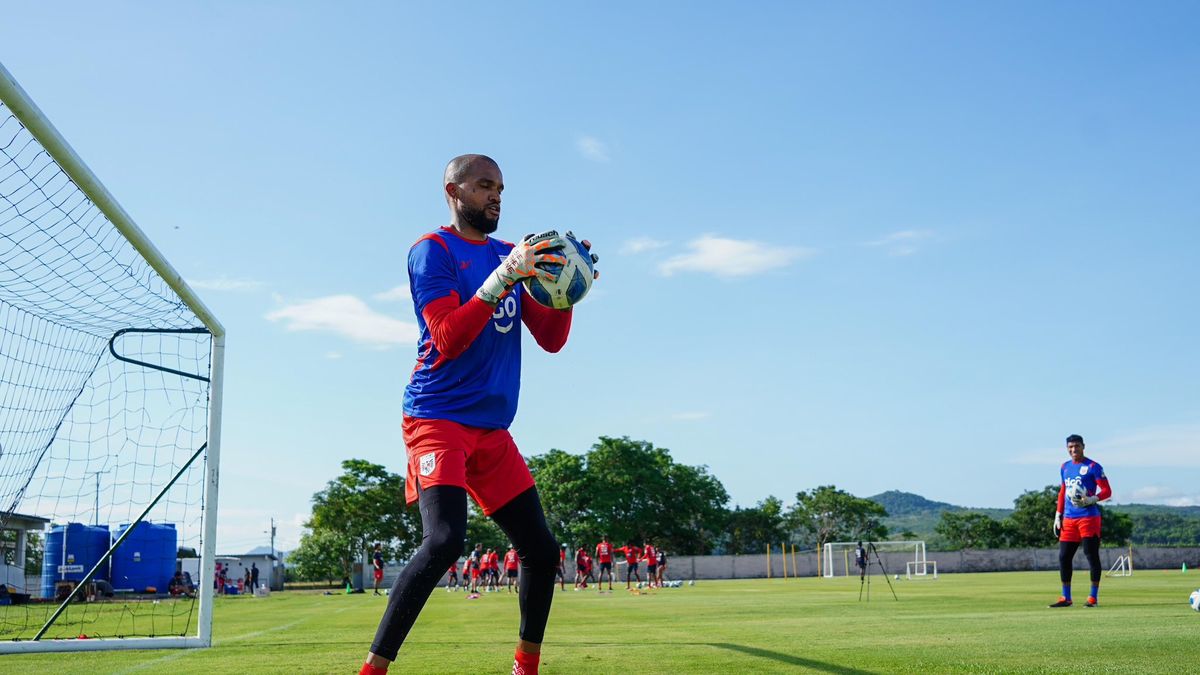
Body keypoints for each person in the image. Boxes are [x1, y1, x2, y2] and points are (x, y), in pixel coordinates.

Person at [362, 154, 597, 675]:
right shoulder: (433, 250)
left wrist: (568, 290)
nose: (496, 196)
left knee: (541, 549)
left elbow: (552, 342)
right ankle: (373, 670)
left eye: (501, 188)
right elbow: (446, 338)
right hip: (437, 418)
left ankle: (525, 667)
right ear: (453, 189)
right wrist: (501, 279)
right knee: (445, 539)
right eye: (484, 185)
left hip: (491, 431)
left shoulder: (513, 256)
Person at [1050, 434, 1111, 608]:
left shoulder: (1093, 467)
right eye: (1070, 447)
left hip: (1088, 518)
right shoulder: (1065, 467)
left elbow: (1107, 490)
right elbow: (1063, 491)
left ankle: (1093, 597)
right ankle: (1066, 597)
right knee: (1064, 557)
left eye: (1076, 446)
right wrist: (1058, 515)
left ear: (1083, 446)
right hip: (1069, 519)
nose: (1073, 450)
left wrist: (1092, 499)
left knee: (1091, 556)